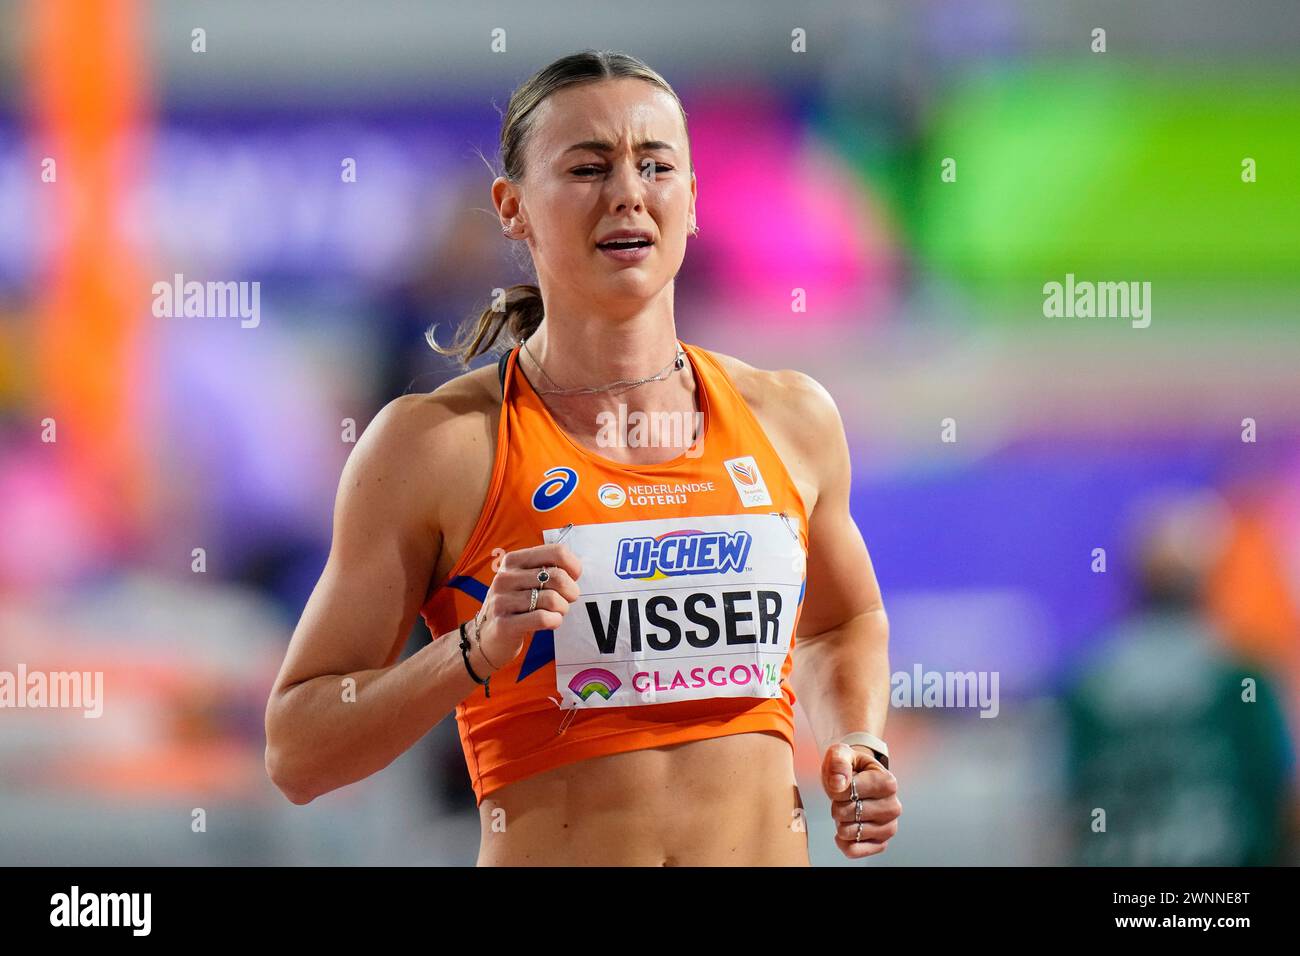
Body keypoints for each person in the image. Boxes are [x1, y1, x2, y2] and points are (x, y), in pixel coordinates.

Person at [264, 49, 898, 866]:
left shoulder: (792, 418)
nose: (628, 192)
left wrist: (855, 737)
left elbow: (842, 623)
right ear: (512, 207)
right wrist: (471, 651)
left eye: (656, 165)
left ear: (694, 200)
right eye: (589, 167)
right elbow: (299, 752)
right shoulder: (439, 447)